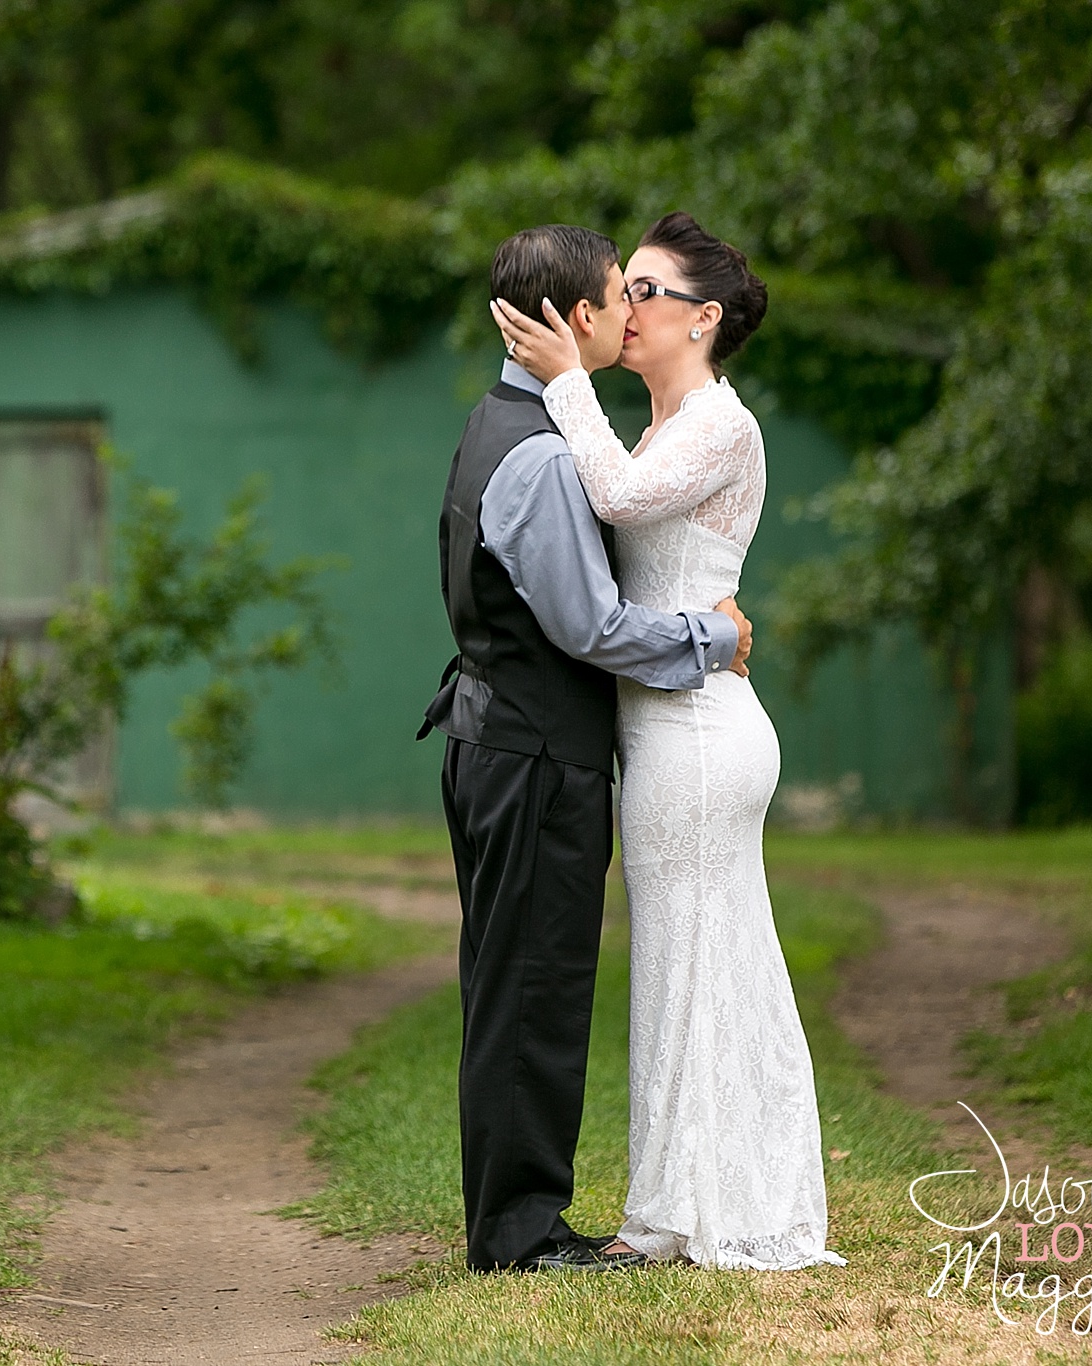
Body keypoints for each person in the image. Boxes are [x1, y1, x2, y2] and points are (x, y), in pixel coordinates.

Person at [489, 211, 844, 1270]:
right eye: (622, 287)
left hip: (696, 734)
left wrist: (562, 381)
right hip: (667, 725)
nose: (623, 307)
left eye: (644, 290)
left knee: (697, 959)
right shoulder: (660, 422)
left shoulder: (716, 423)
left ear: (702, 318)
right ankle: (688, 1197)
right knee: (686, 961)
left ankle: (703, 1207)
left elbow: (618, 496)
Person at [418, 223, 751, 1273]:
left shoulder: (496, 420)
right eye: (616, 296)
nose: (626, 314)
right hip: (532, 756)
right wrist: (713, 635)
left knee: (514, 984)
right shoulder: (540, 461)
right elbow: (593, 627)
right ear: (572, 319)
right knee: (535, 989)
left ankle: (510, 1223)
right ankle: (518, 1237)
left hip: (499, 740)